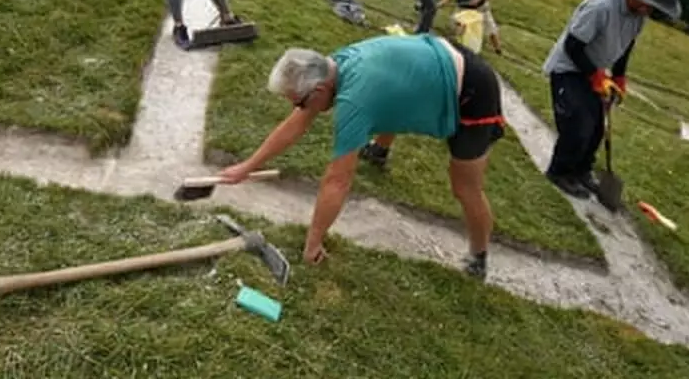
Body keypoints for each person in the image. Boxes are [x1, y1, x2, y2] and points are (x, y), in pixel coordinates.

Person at [216, 33, 507, 280]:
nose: (301, 109)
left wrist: (313, 242)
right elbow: (299, 120)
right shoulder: (333, 66)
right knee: (389, 99)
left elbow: (337, 181)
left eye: (301, 102)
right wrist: (248, 166)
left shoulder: (354, 101)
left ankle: (478, 257)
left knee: (465, 187)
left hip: (473, 91)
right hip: (437, 59)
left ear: (318, 90)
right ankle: (380, 150)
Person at [540, 0, 685, 200]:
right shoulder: (601, 6)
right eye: (650, 6)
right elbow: (573, 45)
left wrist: (619, 77)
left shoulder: (639, 16)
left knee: (598, 128)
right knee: (578, 124)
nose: (649, 13)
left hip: (595, 71)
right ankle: (559, 172)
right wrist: (595, 76)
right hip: (569, 68)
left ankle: (582, 170)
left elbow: (626, 47)